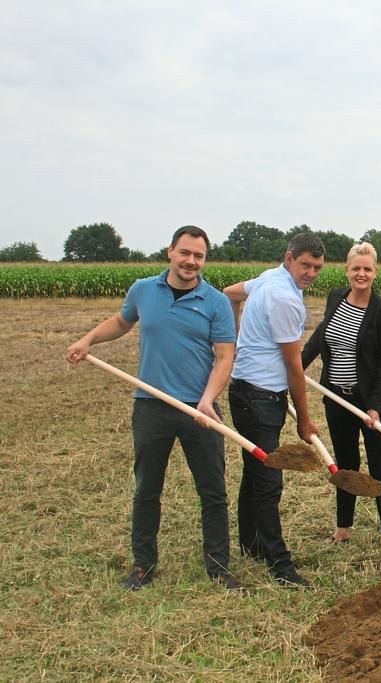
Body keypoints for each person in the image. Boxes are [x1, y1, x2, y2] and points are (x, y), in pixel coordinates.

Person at [65, 226, 238, 591]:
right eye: (185, 253)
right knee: (147, 489)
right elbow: (122, 321)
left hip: (199, 409)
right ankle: (143, 565)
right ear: (170, 252)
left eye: (199, 256)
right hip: (151, 407)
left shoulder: (216, 302)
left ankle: (219, 567)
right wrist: (88, 339)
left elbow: (225, 358)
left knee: (213, 491)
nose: (191, 261)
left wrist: (207, 401)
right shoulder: (143, 290)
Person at [224, 233, 324, 587]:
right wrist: (305, 419)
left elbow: (230, 294)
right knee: (269, 481)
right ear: (289, 258)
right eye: (305, 265)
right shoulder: (284, 299)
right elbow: (295, 368)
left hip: (244, 391)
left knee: (255, 471)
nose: (311, 273)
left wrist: (237, 339)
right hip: (261, 398)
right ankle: (280, 566)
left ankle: (251, 544)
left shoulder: (268, 278)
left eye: (317, 267)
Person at [301, 242, 381, 551]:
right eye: (356, 268)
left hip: (372, 404)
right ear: (347, 270)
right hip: (337, 400)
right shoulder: (336, 298)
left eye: (367, 269)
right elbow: (320, 337)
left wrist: (374, 406)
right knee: (345, 466)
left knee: (380, 469)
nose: (361, 274)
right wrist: (295, 367)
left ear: (375, 272)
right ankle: (343, 528)